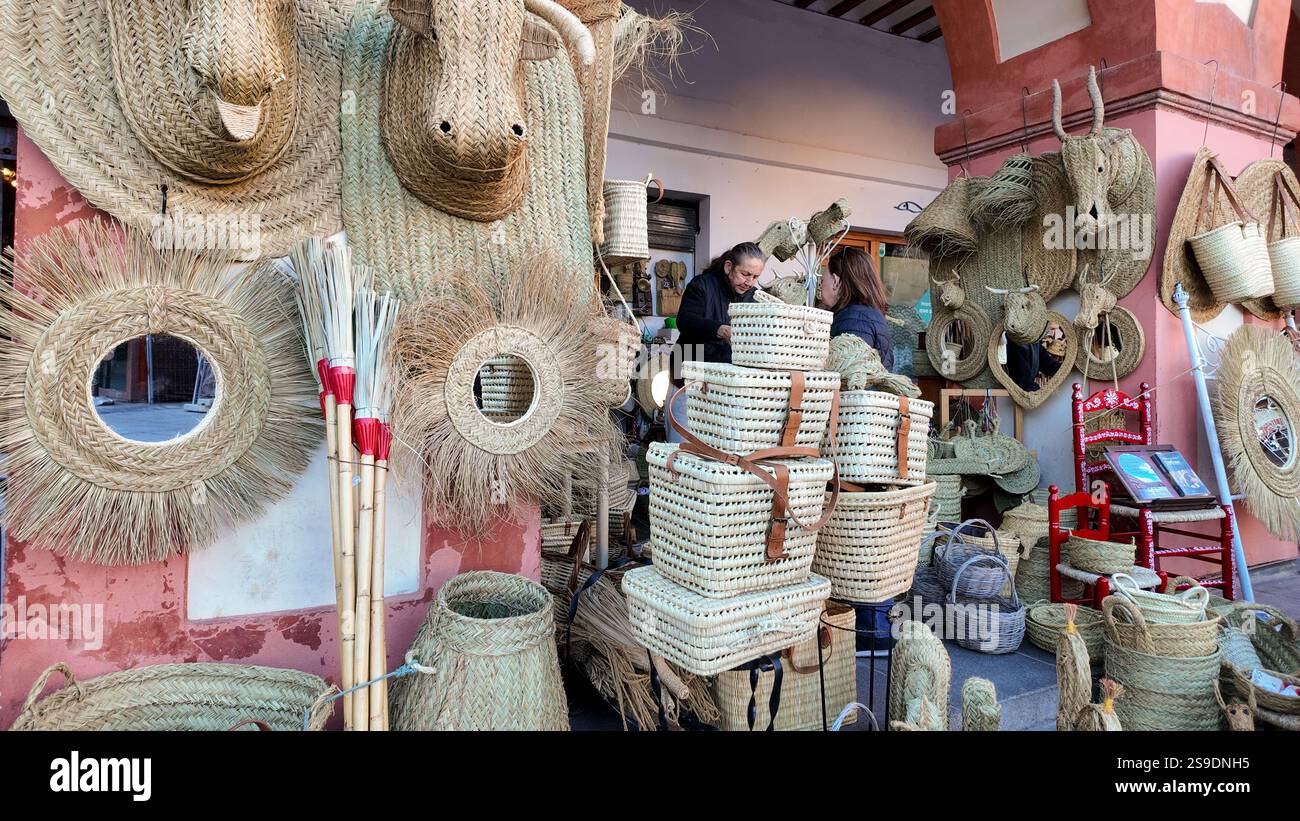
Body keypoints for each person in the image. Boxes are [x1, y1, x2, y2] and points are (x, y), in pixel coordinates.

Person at [667, 242, 765, 442]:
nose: (749, 282)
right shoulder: (701, 285)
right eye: (745, 274)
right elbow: (685, 320)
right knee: (682, 446)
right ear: (729, 267)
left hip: (725, 386)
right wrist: (719, 330)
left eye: (755, 277)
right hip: (688, 381)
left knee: (716, 453)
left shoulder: (754, 298)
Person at [822, 247, 894, 370]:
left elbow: (850, 378)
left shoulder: (852, 320)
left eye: (822, 280)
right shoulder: (869, 314)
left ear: (835, 281)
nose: (821, 286)